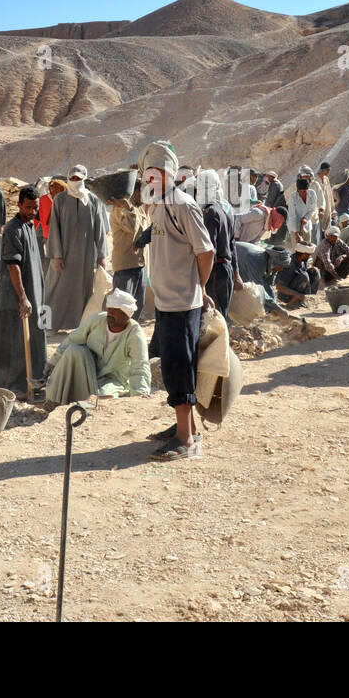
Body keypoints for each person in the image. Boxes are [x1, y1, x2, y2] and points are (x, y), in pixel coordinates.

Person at [138, 141, 214, 462]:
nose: (148, 181)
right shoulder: (158, 205)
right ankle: (187, 427)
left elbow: (206, 251)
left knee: (180, 368)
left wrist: (199, 287)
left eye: (153, 175)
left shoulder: (182, 204)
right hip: (167, 302)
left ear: (167, 175)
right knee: (172, 367)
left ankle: (187, 442)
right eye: (146, 176)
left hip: (183, 304)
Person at [44, 289, 150, 407]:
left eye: (115, 311)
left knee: (102, 397)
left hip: (113, 380)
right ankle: (54, 400)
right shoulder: (97, 320)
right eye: (109, 309)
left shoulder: (135, 334)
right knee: (74, 350)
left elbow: (140, 367)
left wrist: (140, 397)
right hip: (89, 372)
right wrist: (53, 362)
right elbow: (72, 339)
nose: (110, 314)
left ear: (126, 315)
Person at [0, 186, 47, 398]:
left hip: (33, 293)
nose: (32, 211)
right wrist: (23, 297)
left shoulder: (30, 225)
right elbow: (13, 266)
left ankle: (33, 380)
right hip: (14, 295)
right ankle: (14, 386)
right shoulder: (13, 229)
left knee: (33, 337)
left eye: (35, 208)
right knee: (15, 341)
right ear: (19, 205)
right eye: (28, 207)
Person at [44, 164, 110, 331]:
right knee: (55, 289)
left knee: (82, 292)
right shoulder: (60, 199)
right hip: (63, 256)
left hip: (85, 257)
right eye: (72, 178)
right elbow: (54, 229)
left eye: (78, 179)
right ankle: (49, 325)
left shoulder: (93, 200)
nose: (75, 181)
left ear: (84, 179)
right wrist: (56, 255)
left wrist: (102, 256)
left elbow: (100, 230)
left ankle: (80, 326)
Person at [195, 170, 243, 321]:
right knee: (222, 315)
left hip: (214, 271)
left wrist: (201, 281)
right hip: (226, 269)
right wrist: (236, 273)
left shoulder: (210, 212)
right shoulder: (227, 208)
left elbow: (209, 250)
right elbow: (232, 244)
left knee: (212, 319)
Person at [109, 195, 146, 315]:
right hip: (125, 265)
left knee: (137, 306)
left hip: (139, 263)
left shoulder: (138, 208)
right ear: (135, 192)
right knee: (121, 308)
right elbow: (132, 228)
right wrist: (127, 208)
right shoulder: (119, 209)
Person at [234, 241, 291, 319]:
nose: (281, 268)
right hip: (233, 256)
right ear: (274, 261)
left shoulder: (273, 263)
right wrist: (277, 308)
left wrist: (273, 307)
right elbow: (258, 288)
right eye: (281, 265)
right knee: (243, 285)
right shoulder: (257, 262)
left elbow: (269, 284)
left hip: (244, 259)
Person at [275, 244, 319, 308]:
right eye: (309, 255)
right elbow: (279, 287)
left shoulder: (302, 261)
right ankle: (293, 302)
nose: (310, 256)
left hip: (296, 290)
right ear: (304, 254)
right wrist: (298, 295)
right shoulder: (289, 264)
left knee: (314, 272)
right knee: (304, 275)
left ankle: (305, 299)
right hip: (286, 295)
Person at [285, 175, 318, 246]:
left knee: (307, 247)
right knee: (297, 249)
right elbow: (292, 215)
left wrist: (306, 218)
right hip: (295, 225)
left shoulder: (312, 194)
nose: (304, 193)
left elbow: (313, 209)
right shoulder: (293, 197)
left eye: (305, 191)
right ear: (298, 190)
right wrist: (296, 234)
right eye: (302, 191)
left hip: (306, 225)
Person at [36, 177, 65, 255]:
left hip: (50, 234)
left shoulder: (43, 199)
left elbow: (37, 217)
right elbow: (37, 216)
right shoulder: (65, 199)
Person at [316, 162, 336, 229]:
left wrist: (332, 206)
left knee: (327, 222)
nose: (328, 172)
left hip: (327, 203)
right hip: (318, 204)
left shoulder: (326, 179)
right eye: (327, 170)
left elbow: (329, 192)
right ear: (323, 170)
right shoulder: (315, 179)